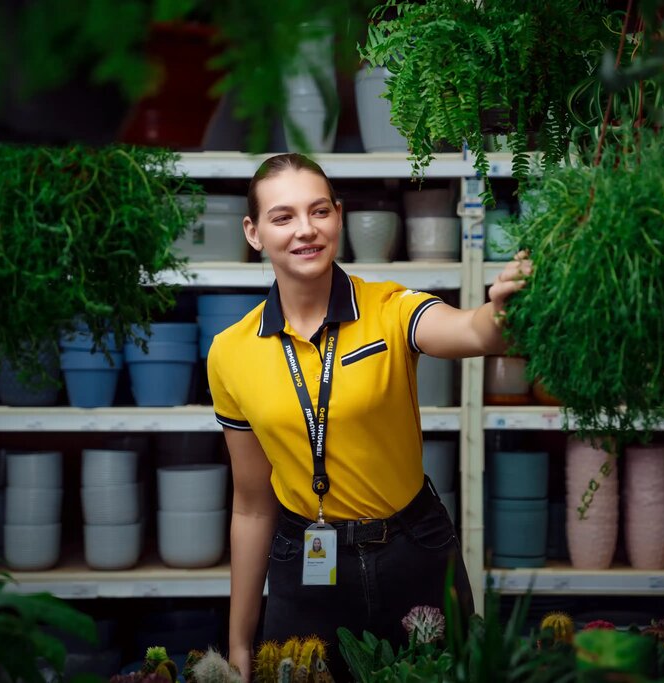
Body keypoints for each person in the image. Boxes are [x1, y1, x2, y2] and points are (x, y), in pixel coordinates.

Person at [206, 153, 531, 682]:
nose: (306, 229)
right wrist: (239, 641)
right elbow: (251, 504)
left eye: (319, 211)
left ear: (339, 216)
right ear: (254, 232)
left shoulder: (391, 308)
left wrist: (503, 309)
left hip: (413, 549)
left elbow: (472, 331)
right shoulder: (230, 352)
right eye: (283, 217)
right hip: (303, 562)